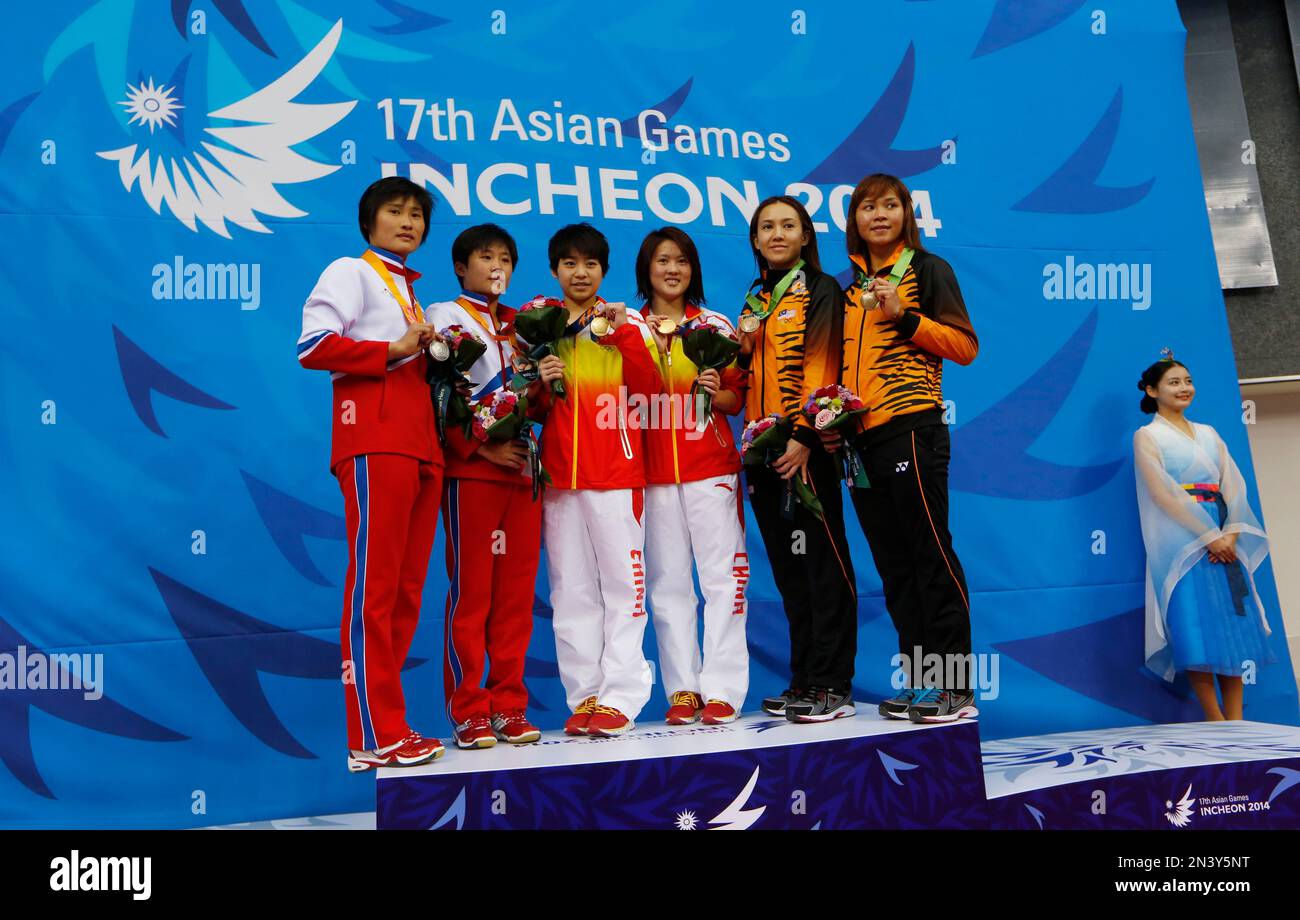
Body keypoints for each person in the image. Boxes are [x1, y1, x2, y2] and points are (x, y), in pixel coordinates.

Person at [296, 176, 445, 771]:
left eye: (417, 215)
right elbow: (312, 345)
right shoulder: (351, 272)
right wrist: (393, 350)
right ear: (369, 222)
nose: (407, 222)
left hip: (420, 445)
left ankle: (393, 724)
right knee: (374, 588)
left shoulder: (411, 293)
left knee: (407, 591)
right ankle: (372, 732)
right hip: (374, 439)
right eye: (394, 212)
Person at [827, 173, 979, 724]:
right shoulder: (847, 291)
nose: (878, 215)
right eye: (867, 206)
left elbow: (965, 346)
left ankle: (955, 687)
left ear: (906, 214)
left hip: (912, 428)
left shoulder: (927, 269)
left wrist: (906, 317)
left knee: (930, 555)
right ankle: (923, 682)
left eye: (889, 205)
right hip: (859, 443)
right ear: (855, 220)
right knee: (893, 567)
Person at [528, 223, 662, 737]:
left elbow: (651, 393)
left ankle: (622, 695)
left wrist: (625, 330)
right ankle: (584, 694)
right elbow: (534, 408)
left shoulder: (624, 324)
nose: (579, 273)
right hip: (561, 477)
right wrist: (541, 383)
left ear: (604, 271)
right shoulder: (541, 325)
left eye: (589, 264)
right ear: (555, 270)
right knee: (570, 592)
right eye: (569, 264)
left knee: (623, 588)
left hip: (615, 472)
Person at [737, 196, 858, 723]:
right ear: (756, 240)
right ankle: (805, 677)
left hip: (803, 448)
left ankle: (833, 685)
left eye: (789, 225)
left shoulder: (820, 289)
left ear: (806, 236)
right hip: (762, 451)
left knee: (823, 566)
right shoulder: (755, 298)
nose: (777, 234)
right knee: (790, 571)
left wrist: (807, 436)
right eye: (767, 227)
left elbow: (823, 365)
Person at [424, 224, 543, 749]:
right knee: (472, 596)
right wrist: (478, 446)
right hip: (473, 473)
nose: (496, 266)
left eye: (505, 259)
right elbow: (435, 395)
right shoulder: (441, 316)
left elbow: (537, 405)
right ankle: (469, 709)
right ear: (460, 266)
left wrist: (543, 382)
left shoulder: (525, 327)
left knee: (515, 598)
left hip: (521, 473)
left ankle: (509, 705)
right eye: (485, 257)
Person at [636, 227, 750, 725]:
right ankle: (682, 689)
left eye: (682, 260)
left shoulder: (716, 325)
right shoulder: (625, 329)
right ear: (647, 269)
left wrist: (712, 389)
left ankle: (722, 689)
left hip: (710, 469)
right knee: (667, 584)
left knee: (724, 581)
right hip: (652, 474)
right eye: (663, 260)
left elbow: (735, 398)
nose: (672, 269)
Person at [1133, 352, 1275, 720]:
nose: (1184, 388)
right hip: (1181, 542)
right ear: (1152, 390)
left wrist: (1230, 533)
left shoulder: (1210, 434)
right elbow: (1163, 494)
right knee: (1193, 622)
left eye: (1188, 381)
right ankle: (1215, 718)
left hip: (1224, 537)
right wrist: (1208, 536)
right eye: (1174, 383)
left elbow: (1235, 486)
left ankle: (1237, 718)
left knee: (1233, 622)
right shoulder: (1147, 436)